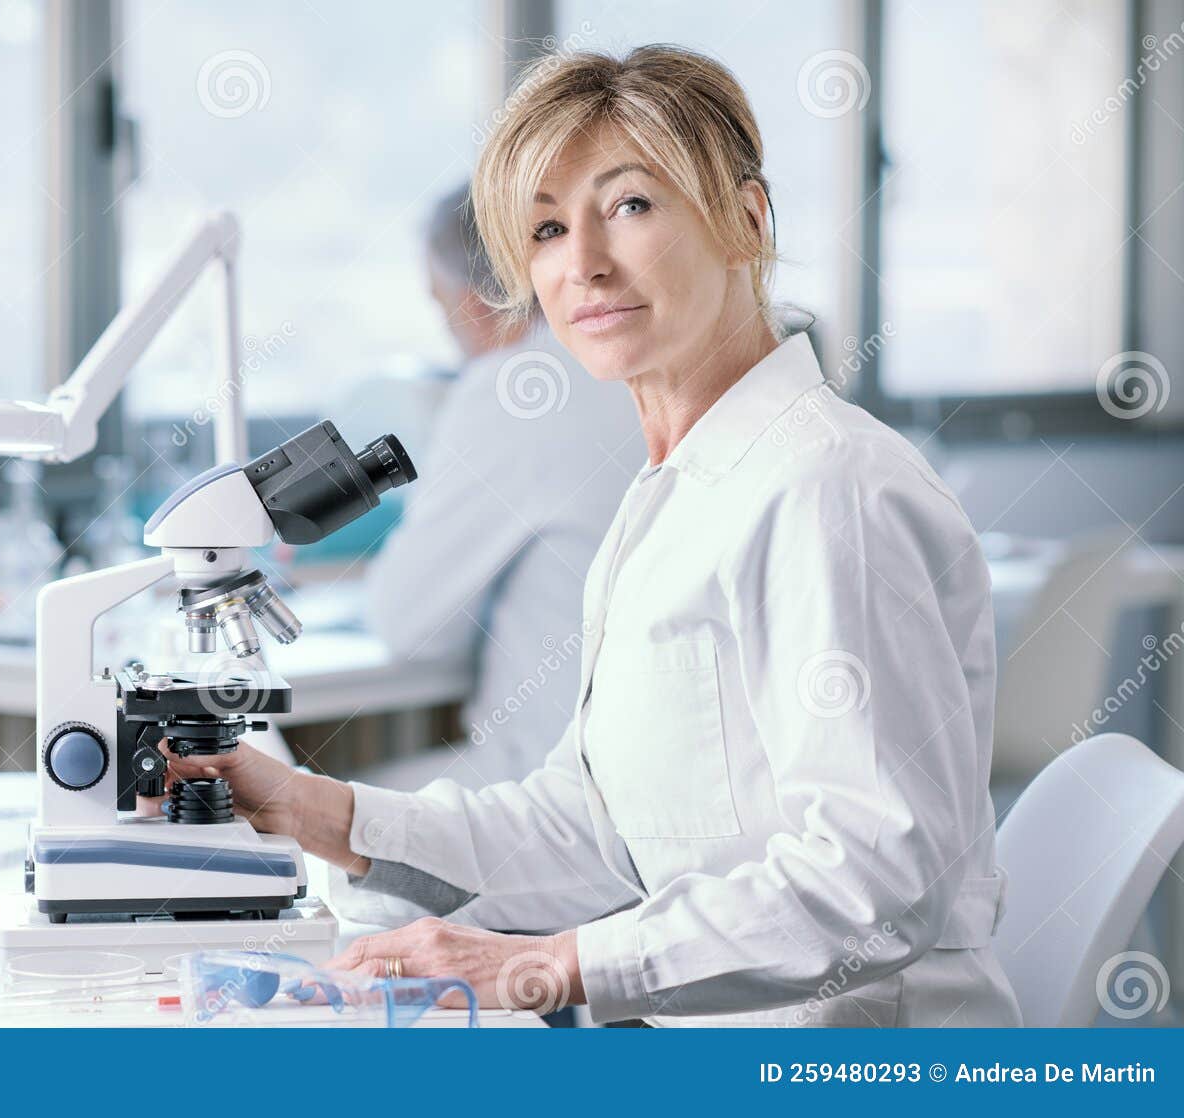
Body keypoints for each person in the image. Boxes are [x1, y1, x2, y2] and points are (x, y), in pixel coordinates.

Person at [159, 46, 1019, 1026]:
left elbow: (870, 882)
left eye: (631, 205)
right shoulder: (675, 491)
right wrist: (311, 809)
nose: (585, 264)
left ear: (747, 220)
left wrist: (546, 963)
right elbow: (594, 826)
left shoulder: (827, 488)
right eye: (547, 228)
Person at [361, 185, 644, 790]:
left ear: (473, 304)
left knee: (289, 807)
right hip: (655, 783)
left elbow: (404, 627)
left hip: (551, 791)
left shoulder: (512, 389)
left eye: (440, 304)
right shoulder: (636, 359)